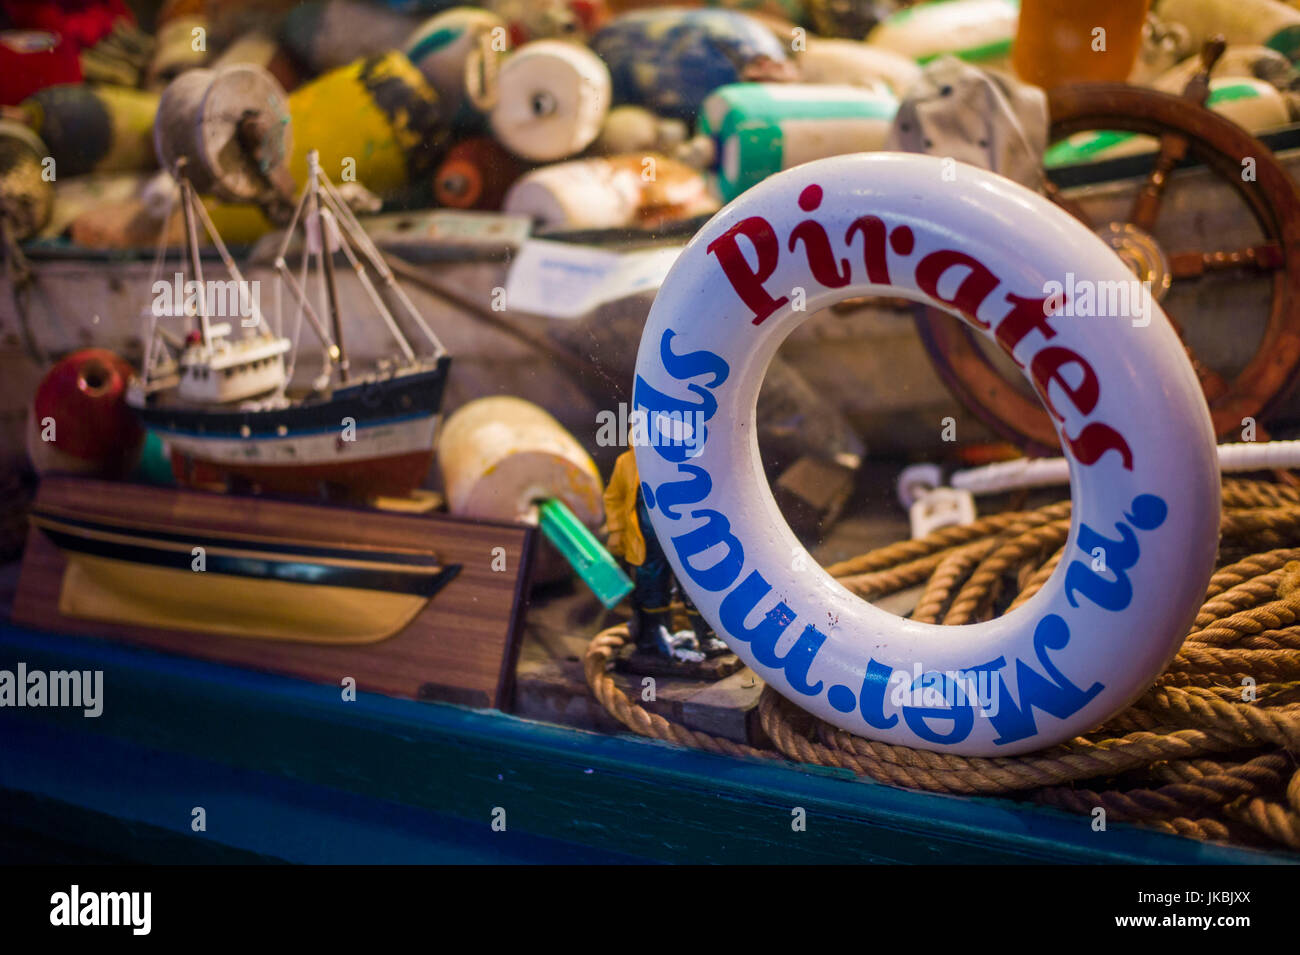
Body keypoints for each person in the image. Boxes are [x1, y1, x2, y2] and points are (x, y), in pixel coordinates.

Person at [603, 448, 729, 662]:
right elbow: (614, 497)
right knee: (650, 587)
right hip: (646, 541)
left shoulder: (690, 455)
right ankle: (652, 638)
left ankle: (706, 637)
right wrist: (616, 530)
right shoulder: (627, 462)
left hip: (686, 537)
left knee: (695, 586)